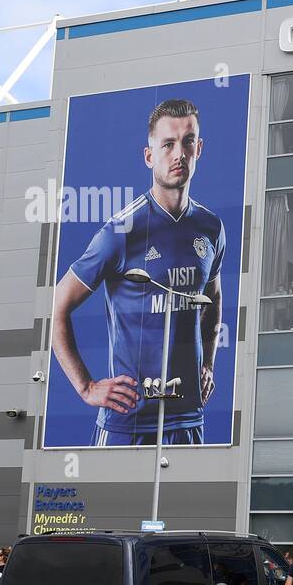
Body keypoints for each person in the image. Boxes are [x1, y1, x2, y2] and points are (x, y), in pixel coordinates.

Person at [50, 98, 226, 446]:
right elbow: (57, 306)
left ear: (199, 148)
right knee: (112, 503)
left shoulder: (211, 228)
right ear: (150, 156)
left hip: (187, 419)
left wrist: (207, 364)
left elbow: (214, 299)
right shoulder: (121, 232)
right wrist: (86, 387)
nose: (179, 153)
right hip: (127, 424)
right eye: (167, 144)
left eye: (188, 141)